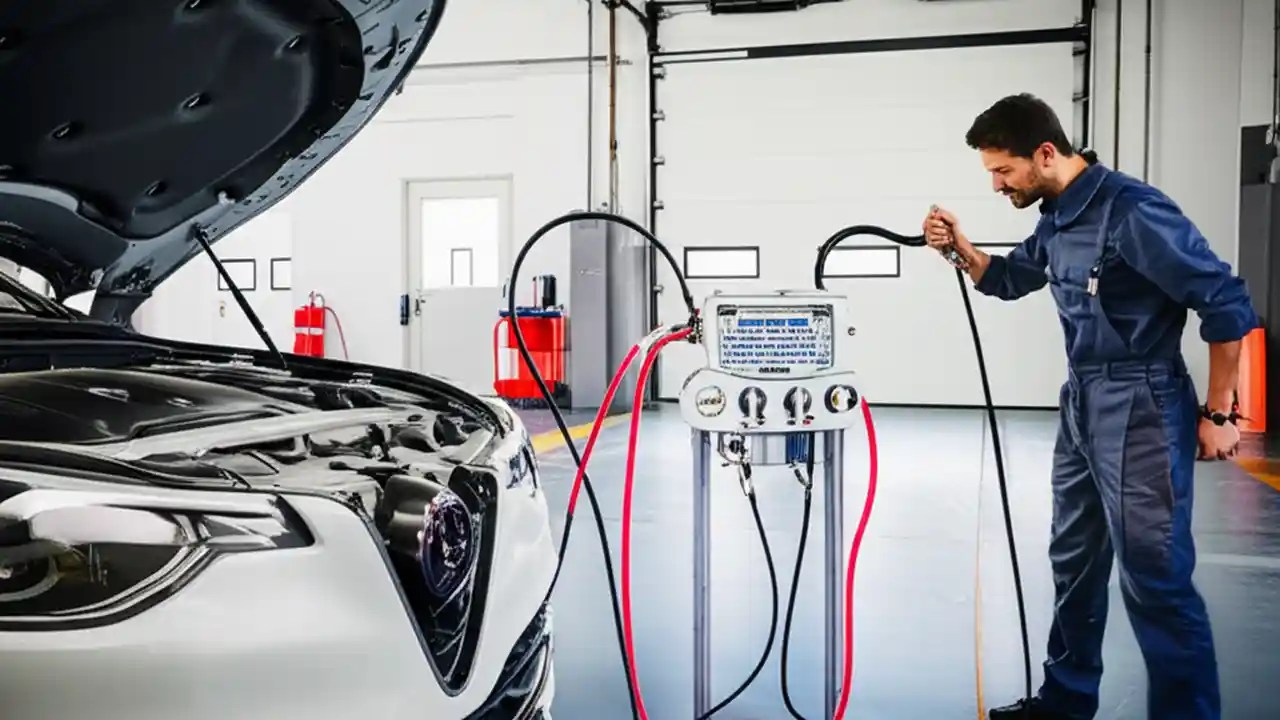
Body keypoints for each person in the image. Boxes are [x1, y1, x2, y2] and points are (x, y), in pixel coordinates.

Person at [924, 93, 1259, 720]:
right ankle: (1066, 702)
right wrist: (959, 248)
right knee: (1074, 559)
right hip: (1081, 399)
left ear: (1045, 154)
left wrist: (1218, 414)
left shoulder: (1133, 212)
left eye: (1003, 170)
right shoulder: (1055, 217)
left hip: (1143, 402)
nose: (996, 184)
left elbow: (1225, 304)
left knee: (1154, 577)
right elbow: (1008, 279)